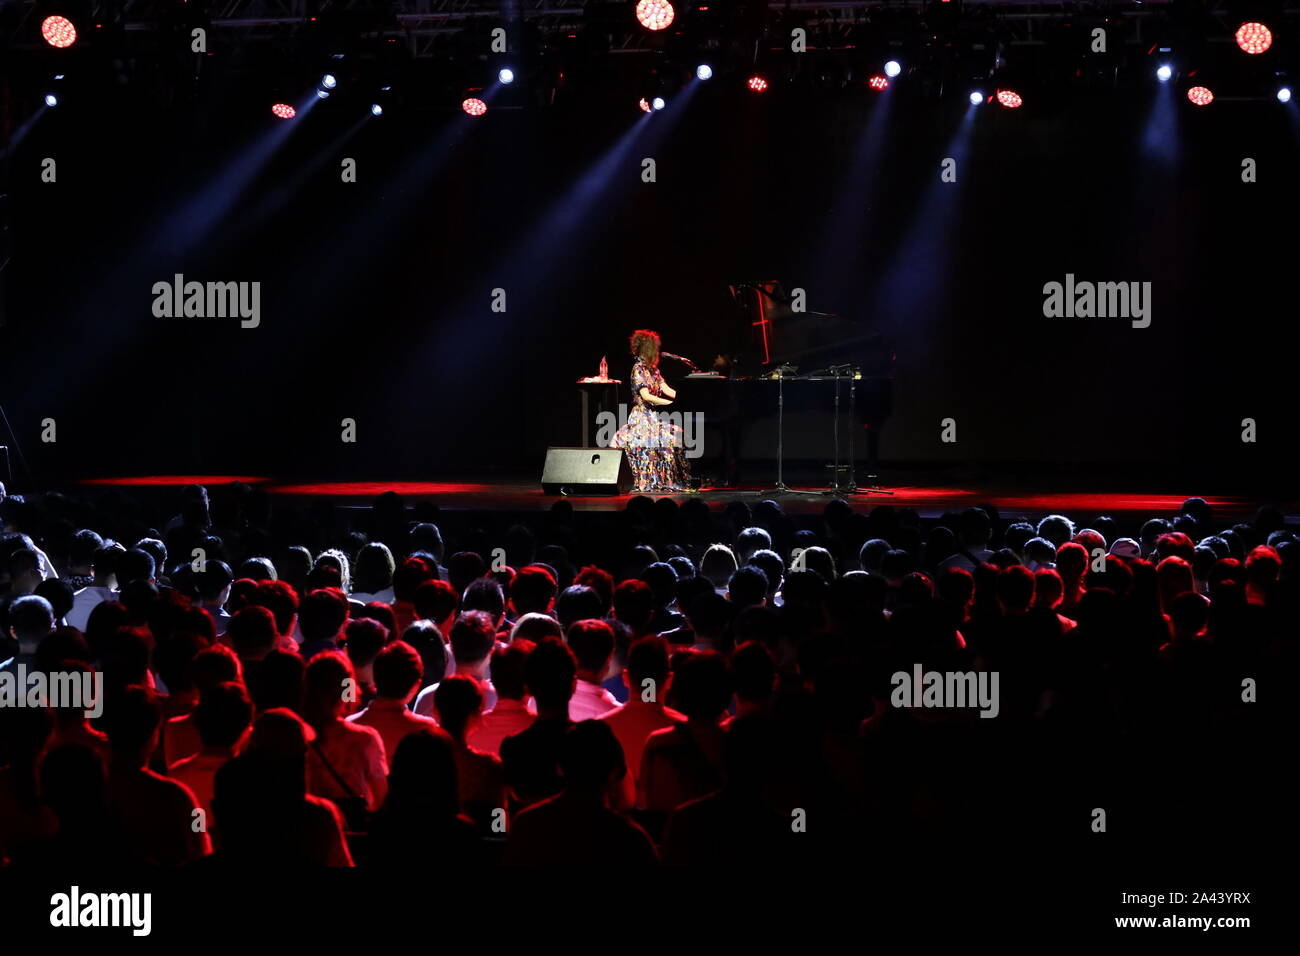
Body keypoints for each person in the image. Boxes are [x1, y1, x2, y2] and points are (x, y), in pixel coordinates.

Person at [610, 329, 691, 493]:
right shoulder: (638, 368)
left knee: (678, 436)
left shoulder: (653, 370)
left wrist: (686, 398)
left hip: (654, 416)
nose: (658, 352)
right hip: (641, 417)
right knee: (658, 441)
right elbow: (646, 396)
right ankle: (651, 480)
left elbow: (666, 388)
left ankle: (673, 478)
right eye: (655, 347)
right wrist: (668, 403)